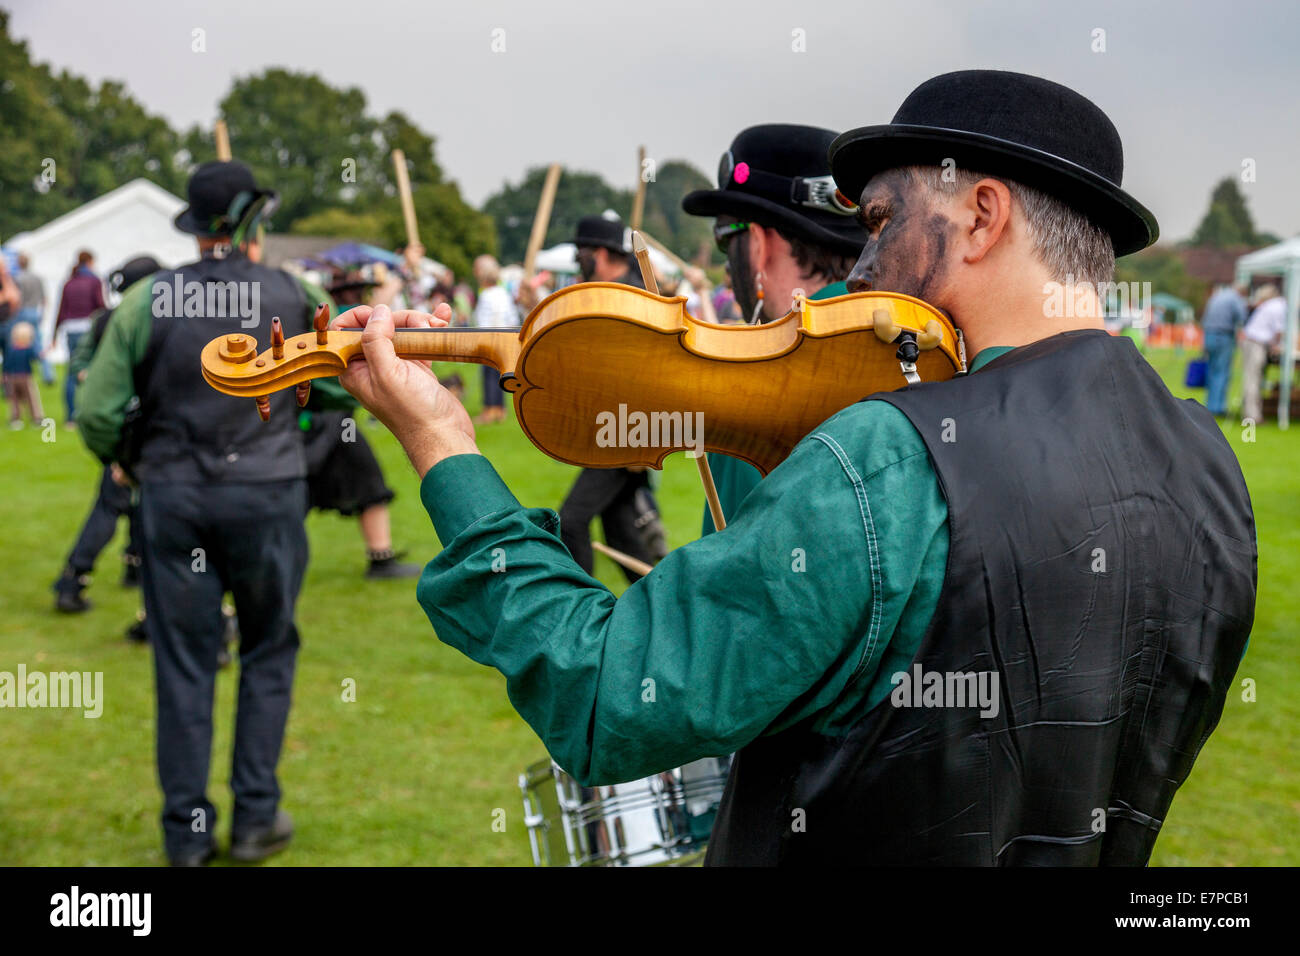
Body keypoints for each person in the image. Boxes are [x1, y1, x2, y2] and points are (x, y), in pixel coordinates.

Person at [333, 71, 1255, 866]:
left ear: (981, 216)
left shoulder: (893, 453)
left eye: (884, 221)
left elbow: (606, 690)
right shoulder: (1211, 468)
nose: (863, 264)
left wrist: (442, 446)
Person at [78, 160, 352, 866]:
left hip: (174, 498)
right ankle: (256, 818)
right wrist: (306, 401)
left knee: (185, 667)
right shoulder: (295, 292)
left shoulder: (145, 300)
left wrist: (134, 460)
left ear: (195, 228)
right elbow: (344, 387)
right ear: (252, 222)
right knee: (267, 649)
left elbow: (98, 413)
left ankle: (188, 836)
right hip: (267, 495)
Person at [681, 124, 865, 532]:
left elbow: (727, 587)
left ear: (759, 245)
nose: (729, 265)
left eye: (727, 240)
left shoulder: (752, 387)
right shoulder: (916, 341)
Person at [51, 256, 160, 614]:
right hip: (133, 430)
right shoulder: (117, 322)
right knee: (116, 503)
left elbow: (81, 368)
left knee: (140, 505)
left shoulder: (120, 320)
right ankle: (72, 581)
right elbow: (83, 368)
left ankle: (131, 569)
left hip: (140, 430)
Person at [556, 214, 661, 583]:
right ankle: (662, 611)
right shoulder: (606, 293)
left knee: (571, 520)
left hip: (628, 430)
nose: (579, 264)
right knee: (622, 533)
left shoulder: (632, 296)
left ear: (599, 254)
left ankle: (579, 608)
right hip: (612, 427)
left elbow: (653, 368)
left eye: (581, 254)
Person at [302, 266, 421, 579]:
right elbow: (381, 305)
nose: (362, 295)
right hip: (327, 421)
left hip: (329, 421)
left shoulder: (332, 313)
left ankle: (380, 557)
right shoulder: (339, 316)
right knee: (362, 481)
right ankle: (380, 559)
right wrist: (405, 271)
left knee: (363, 482)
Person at [55, 250, 106, 427]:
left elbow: (61, 309)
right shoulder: (94, 281)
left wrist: (54, 335)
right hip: (88, 328)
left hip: (70, 329)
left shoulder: (69, 283)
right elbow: (100, 305)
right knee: (94, 370)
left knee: (71, 372)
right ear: (90, 261)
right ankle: (94, 413)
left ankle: (70, 417)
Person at [469, 255, 519, 425]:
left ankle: (489, 409)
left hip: (490, 338)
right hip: (505, 338)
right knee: (500, 373)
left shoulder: (486, 295)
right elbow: (512, 317)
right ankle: (500, 409)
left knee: (489, 375)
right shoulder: (504, 293)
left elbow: (482, 321)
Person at [1240, 284, 1287, 423]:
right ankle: (1252, 416)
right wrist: (1277, 345)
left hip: (1252, 341)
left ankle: (1251, 412)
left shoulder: (1271, 305)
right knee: (1253, 379)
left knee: (1253, 378)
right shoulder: (1280, 307)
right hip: (1255, 344)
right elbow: (1279, 332)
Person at [1201, 282, 1248, 417]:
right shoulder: (1235, 299)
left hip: (1209, 335)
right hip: (1223, 336)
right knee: (1222, 372)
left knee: (1212, 371)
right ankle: (1218, 407)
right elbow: (1242, 317)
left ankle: (1209, 405)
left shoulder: (1216, 297)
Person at [13, 254, 54, 384]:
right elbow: (44, 298)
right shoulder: (37, 278)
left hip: (22, 312)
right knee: (38, 344)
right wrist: (43, 314)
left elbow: (17, 299)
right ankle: (47, 374)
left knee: (19, 343)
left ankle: (19, 372)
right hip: (35, 311)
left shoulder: (17, 278)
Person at [3, 320, 43, 428]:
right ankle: (36, 418)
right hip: (25, 377)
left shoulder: (11, 349)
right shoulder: (29, 349)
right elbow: (36, 357)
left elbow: (6, 363)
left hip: (12, 378)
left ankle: (15, 420)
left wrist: (4, 375)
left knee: (14, 399)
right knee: (31, 398)